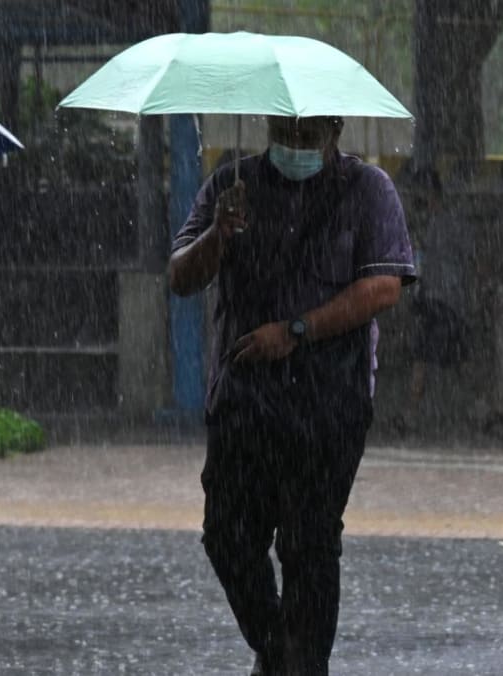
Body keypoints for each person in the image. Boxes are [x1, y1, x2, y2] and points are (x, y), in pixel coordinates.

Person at [169, 115, 415, 675]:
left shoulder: (367, 190)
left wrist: (296, 331)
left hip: (330, 404)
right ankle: (282, 655)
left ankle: (298, 665)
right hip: (243, 401)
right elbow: (181, 277)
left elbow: (383, 286)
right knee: (228, 536)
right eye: (285, 131)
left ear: (335, 129)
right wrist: (219, 233)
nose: (294, 144)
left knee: (309, 545)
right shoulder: (232, 184)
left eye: (308, 134)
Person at [401, 168, 474, 426]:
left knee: (424, 356)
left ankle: (411, 413)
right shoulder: (431, 223)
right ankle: (481, 407)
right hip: (439, 301)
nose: (415, 198)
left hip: (445, 302)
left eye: (418, 193)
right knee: (458, 358)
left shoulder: (450, 223)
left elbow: (471, 259)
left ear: (430, 193)